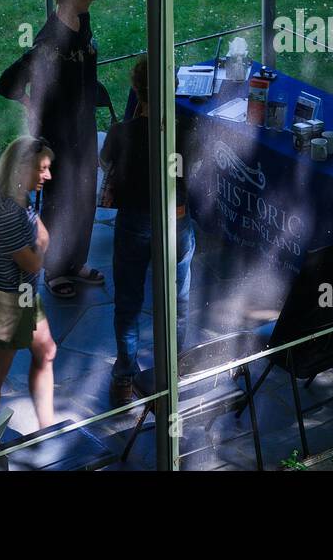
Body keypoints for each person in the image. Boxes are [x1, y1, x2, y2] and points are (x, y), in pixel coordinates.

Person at [0, 0, 111, 299]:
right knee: (60, 201)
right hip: (58, 137)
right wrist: (29, 103)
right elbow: (7, 83)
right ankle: (54, 270)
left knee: (84, 197)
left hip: (83, 129)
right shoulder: (48, 43)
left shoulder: (82, 22)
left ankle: (75, 262)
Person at [101, 57, 196, 406]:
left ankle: (125, 378)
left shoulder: (121, 134)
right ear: (172, 88)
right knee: (177, 302)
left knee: (128, 302)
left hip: (134, 221)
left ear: (136, 91)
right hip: (176, 220)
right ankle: (171, 370)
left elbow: (106, 162)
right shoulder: (185, 129)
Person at [0, 136, 59, 433]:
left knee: (46, 350)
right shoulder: (8, 209)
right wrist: (40, 247)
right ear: (22, 168)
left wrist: (40, 244)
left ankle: (47, 426)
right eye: (42, 169)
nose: (48, 176)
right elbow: (33, 261)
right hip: (4, 301)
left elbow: (42, 236)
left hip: (23, 294)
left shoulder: (17, 195)